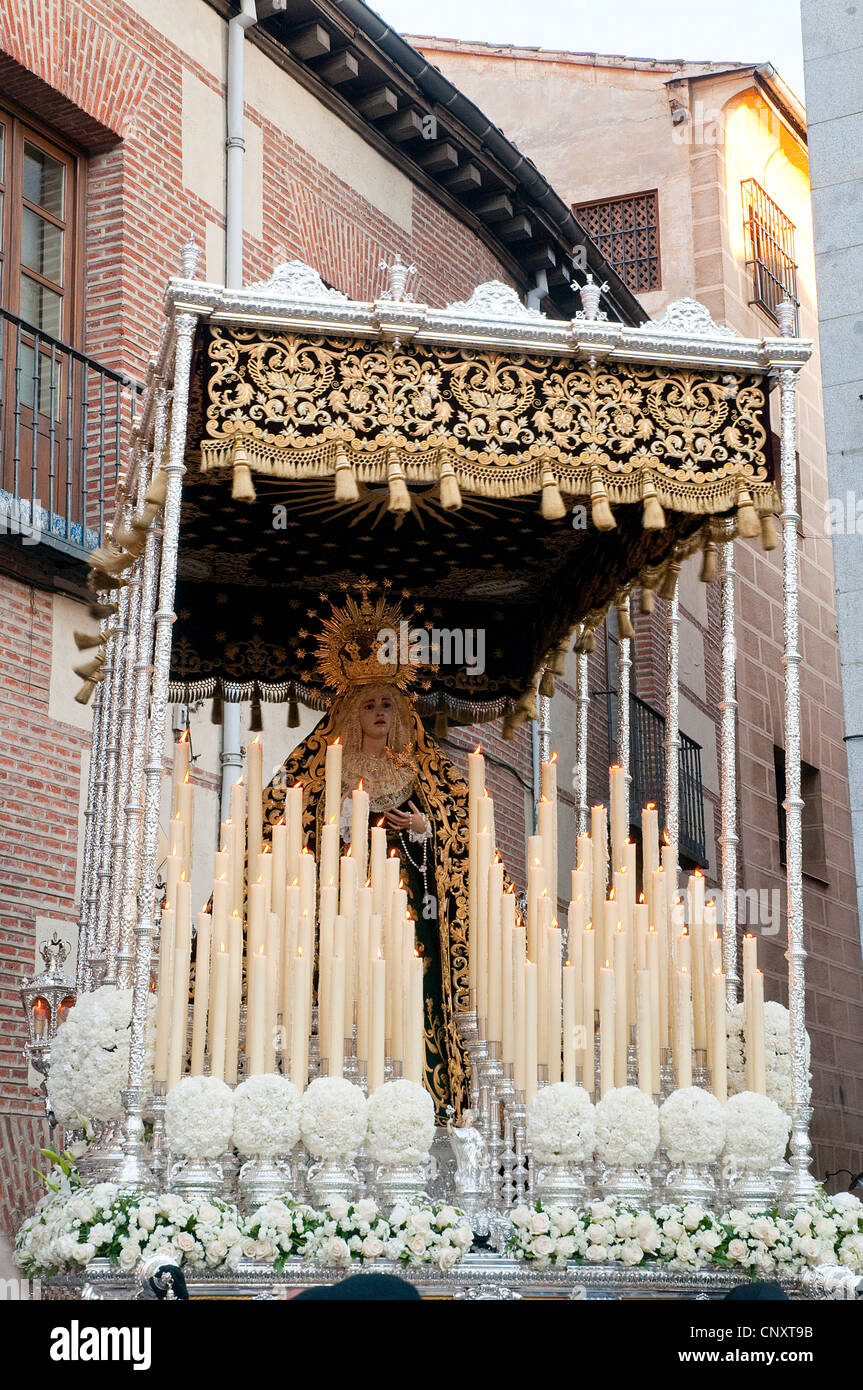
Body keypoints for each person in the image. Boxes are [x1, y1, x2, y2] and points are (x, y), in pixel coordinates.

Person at [260, 591, 476, 1122]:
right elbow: (284, 832)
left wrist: (428, 829)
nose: (379, 712)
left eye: (387, 704)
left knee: (414, 990)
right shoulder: (319, 771)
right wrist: (332, 831)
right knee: (343, 991)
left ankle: (422, 1099)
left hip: (413, 913)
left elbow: (467, 831)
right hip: (341, 913)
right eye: (369, 704)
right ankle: (336, 1099)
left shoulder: (423, 772)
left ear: (400, 711)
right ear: (350, 713)